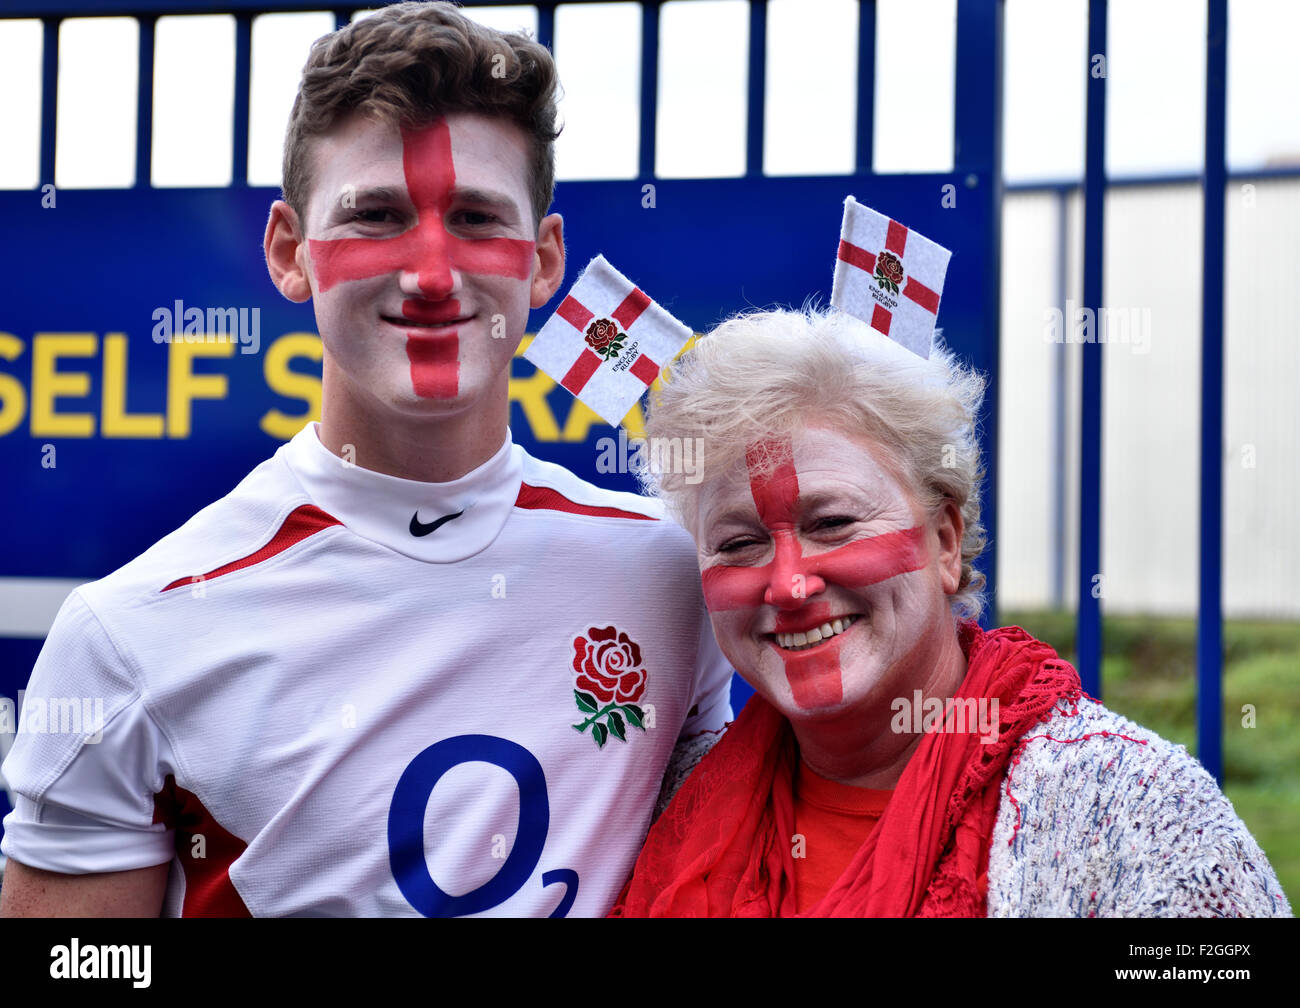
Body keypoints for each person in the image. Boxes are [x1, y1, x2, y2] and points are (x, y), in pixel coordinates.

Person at [0, 1, 730, 918]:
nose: (431, 275)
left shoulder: (667, 570)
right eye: (376, 216)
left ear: (544, 263)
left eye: (474, 217)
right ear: (288, 253)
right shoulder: (128, 633)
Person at [611, 306, 1291, 917]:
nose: (789, 585)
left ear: (943, 540)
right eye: (740, 543)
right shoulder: (656, 796)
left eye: (833, 523)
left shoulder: (1132, 811)